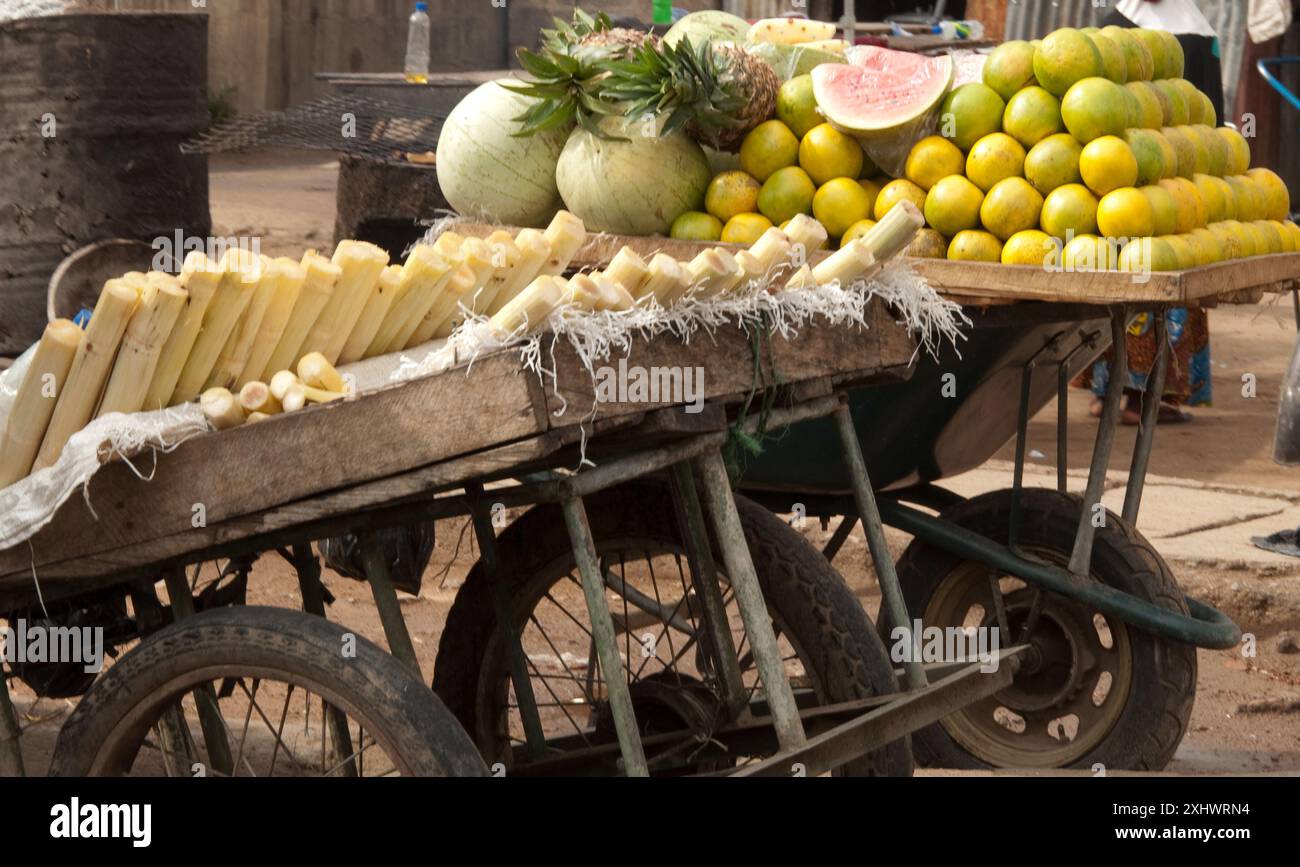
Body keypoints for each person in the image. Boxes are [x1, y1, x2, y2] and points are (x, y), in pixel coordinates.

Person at [1077, 0, 1223, 424]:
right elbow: (1213, 121)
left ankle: (1109, 393)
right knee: (1163, 280)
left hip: (1115, 179)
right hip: (1172, 185)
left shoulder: (1112, 23)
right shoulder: (1199, 34)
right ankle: (1145, 399)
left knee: (1118, 277)